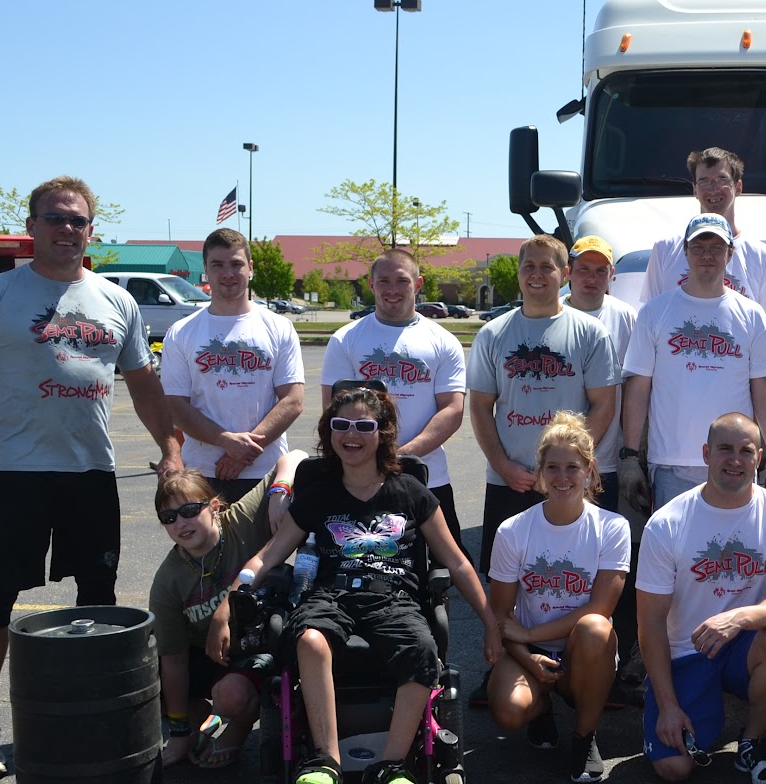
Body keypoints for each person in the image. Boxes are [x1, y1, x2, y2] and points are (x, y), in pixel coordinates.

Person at [0, 175, 181, 782]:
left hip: (91, 474)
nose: (68, 229)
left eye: (79, 221)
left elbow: (144, 386)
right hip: (18, 474)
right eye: (56, 218)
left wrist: (170, 448)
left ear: (91, 230)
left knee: (97, 601)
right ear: (32, 226)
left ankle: (89, 720)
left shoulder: (115, 300)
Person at [219, 386, 500, 784]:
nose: (352, 434)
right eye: (341, 424)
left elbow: (457, 563)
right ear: (329, 432)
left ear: (382, 433)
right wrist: (229, 602)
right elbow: (267, 557)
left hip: (394, 598)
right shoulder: (319, 495)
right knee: (309, 639)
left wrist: (491, 624)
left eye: (364, 425)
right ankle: (326, 762)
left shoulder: (410, 492)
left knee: (424, 649)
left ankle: (390, 766)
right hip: (330, 596)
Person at [636, 413, 766, 784]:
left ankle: (751, 740)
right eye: (725, 449)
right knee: (674, 770)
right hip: (686, 650)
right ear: (705, 453)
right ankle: (667, 705)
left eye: (745, 451)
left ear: (760, 458)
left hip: (745, 646)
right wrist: (668, 706)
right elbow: (650, 623)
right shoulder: (667, 523)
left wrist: (740, 618)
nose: (735, 460)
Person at [487, 414, 630, 784]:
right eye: (553, 467)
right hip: (526, 648)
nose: (562, 477)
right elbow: (501, 615)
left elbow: (600, 608)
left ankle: (585, 736)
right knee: (508, 712)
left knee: (596, 628)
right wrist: (527, 656)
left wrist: (526, 635)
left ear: (590, 470)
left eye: (572, 467)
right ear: (540, 472)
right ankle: (540, 708)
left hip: (581, 649)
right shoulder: (513, 530)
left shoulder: (613, 528)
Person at [467, 234, 620, 579]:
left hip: (568, 483)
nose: (536, 274)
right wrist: (502, 465)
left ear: (564, 273)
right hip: (511, 480)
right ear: (519, 273)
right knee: (506, 580)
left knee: (570, 578)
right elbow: (479, 407)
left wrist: (567, 468)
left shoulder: (591, 333)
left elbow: (604, 405)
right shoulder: (492, 335)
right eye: (529, 266)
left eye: (546, 267)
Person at [149, 451, 306, 767]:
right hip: (206, 656)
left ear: (214, 508)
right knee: (149, 681)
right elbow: (174, 659)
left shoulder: (241, 523)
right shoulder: (168, 581)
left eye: (190, 511)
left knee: (232, 696)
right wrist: (179, 733)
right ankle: (198, 722)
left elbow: (296, 456)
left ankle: (239, 725)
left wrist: (280, 493)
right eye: (169, 518)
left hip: (252, 649)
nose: (181, 523)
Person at [621, 213, 766, 513]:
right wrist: (630, 457)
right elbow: (638, 388)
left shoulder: (752, 314)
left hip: (736, 462)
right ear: (685, 252)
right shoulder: (655, 312)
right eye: (698, 247)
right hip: (671, 464)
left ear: (730, 254)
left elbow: (764, 390)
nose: (707, 255)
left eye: (716, 248)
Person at [321, 248, 468, 546]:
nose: (392, 290)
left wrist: (405, 455)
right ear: (371, 284)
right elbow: (334, 411)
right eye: (383, 281)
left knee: (445, 569)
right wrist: (373, 460)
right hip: (359, 481)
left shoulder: (443, 341)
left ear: (418, 283)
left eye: (401, 281)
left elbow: (452, 410)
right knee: (361, 562)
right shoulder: (346, 339)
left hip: (428, 478)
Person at [161, 227, 304, 504]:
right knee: (205, 548)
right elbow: (176, 406)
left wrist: (245, 452)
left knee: (265, 549)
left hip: (265, 471)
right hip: (201, 473)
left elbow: (293, 400)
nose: (228, 273)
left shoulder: (279, 327)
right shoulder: (181, 332)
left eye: (236, 264)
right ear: (206, 270)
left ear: (250, 268)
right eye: (218, 265)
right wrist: (227, 441)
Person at [641, 147, 766, 340]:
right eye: (704, 181)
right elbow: (650, 324)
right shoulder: (664, 249)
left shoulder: (764, 257)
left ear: (739, 187)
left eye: (722, 180)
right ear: (694, 189)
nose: (713, 189)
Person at [563, 235, 636, 510]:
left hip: (605, 460)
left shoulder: (626, 316)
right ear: (568, 272)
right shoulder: (552, 312)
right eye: (583, 269)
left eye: (600, 271)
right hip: (556, 459)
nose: (591, 278)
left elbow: (633, 386)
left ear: (612, 275)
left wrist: (632, 451)